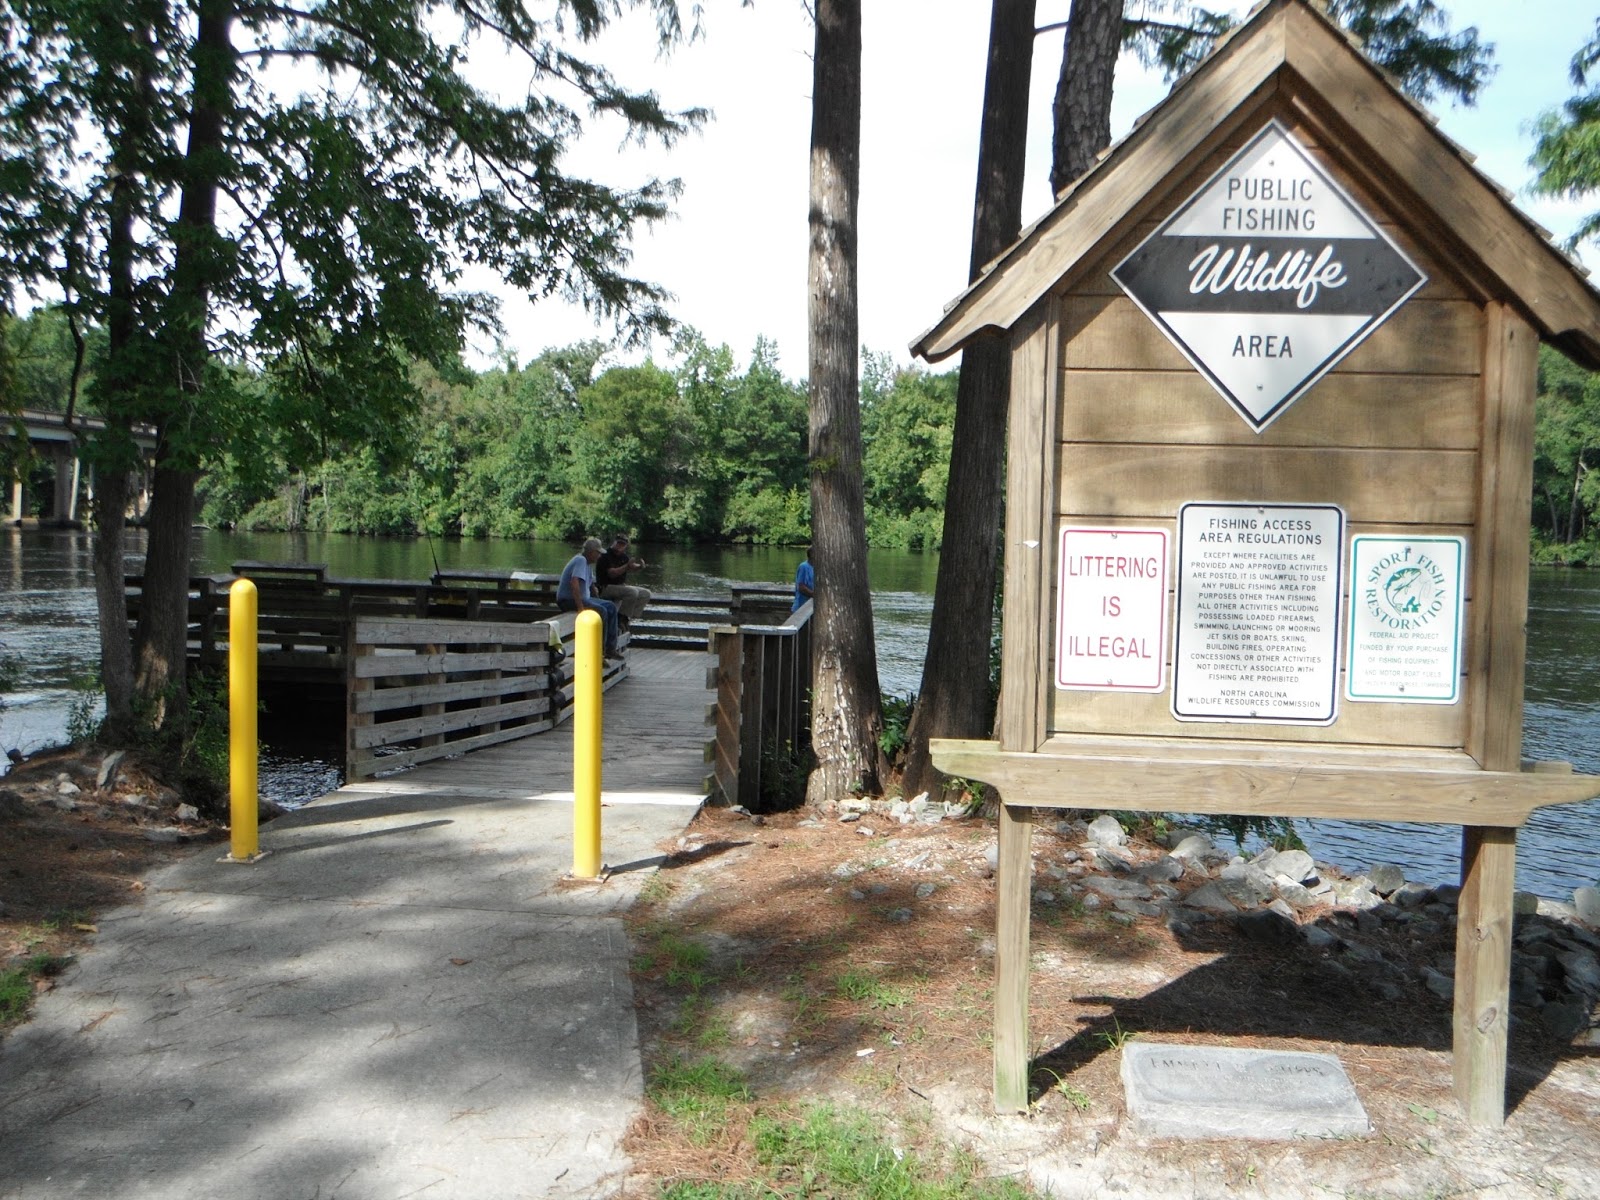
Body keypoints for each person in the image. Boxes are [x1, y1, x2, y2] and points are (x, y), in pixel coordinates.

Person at [557, 537, 622, 660]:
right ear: (592, 552)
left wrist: (599, 599)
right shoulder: (580, 560)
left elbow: (591, 584)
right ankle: (599, 653)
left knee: (610, 606)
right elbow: (574, 582)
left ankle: (610, 649)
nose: (599, 557)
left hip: (583, 598)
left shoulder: (587, 564)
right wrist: (581, 608)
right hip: (568, 600)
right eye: (598, 554)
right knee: (601, 611)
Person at [596, 534, 652, 627]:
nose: (620, 546)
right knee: (632, 592)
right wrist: (627, 566)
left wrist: (639, 567)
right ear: (614, 542)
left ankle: (629, 618)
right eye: (619, 543)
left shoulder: (624, 557)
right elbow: (612, 573)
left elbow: (630, 568)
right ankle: (621, 618)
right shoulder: (605, 555)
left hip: (620, 586)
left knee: (646, 593)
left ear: (626, 546)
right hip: (605, 587)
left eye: (623, 544)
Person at [792, 546, 814, 612]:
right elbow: (801, 587)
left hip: (811, 607)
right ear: (811, 554)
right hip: (801, 607)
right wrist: (815, 595)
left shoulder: (817, 567)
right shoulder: (804, 567)